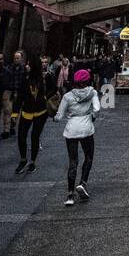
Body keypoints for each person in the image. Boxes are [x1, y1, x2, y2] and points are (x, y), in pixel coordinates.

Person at [54, 68, 100, 206]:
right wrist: (92, 116)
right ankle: (83, 183)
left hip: (71, 129)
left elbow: (59, 115)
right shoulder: (92, 93)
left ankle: (69, 195)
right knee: (89, 156)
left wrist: (54, 117)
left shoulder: (68, 96)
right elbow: (97, 108)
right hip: (86, 128)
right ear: (87, 81)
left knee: (73, 161)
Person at [16, 57, 49, 173]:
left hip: (41, 112)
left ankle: (32, 162)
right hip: (26, 112)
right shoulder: (25, 79)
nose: (26, 66)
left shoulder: (46, 77)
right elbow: (19, 96)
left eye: (29, 64)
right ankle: (23, 159)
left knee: (35, 137)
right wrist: (14, 113)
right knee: (21, 136)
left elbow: (54, 89)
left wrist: (45, 97)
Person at [1, 49, 26, 138]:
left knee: (15, 111)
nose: (16, 59)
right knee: (7, 110)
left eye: (18, 58)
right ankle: (6, 130)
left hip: (19, 92)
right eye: (15, 58)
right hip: (9, 91)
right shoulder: (9, 68)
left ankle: (12, 125)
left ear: (21, 59)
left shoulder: (24, 69)